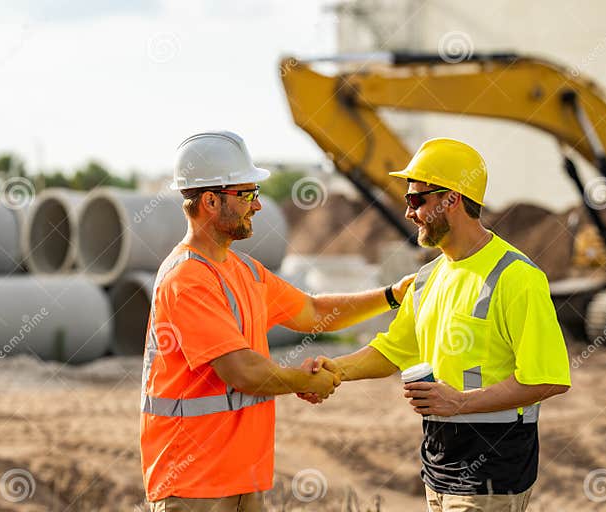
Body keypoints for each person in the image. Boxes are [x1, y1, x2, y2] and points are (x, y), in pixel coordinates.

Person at [140, 130, 414, 512]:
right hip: (194, 486)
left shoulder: (244, 270)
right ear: (210, 201)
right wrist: (305, 381)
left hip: (242, 480)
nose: (258, 206)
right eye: (248, 194)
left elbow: (315, 313)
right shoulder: (186, 279)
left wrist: (392, 295)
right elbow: (242, 371)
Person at [305, 138, 571, 511]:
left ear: (453, 199)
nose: (409, 212)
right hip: (437, 464)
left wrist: (460, 402)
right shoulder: (427, 277)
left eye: (417, 200)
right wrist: (335, 370)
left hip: (493, 470)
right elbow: (392, 349)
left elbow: (549, 377)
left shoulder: (517, 276)